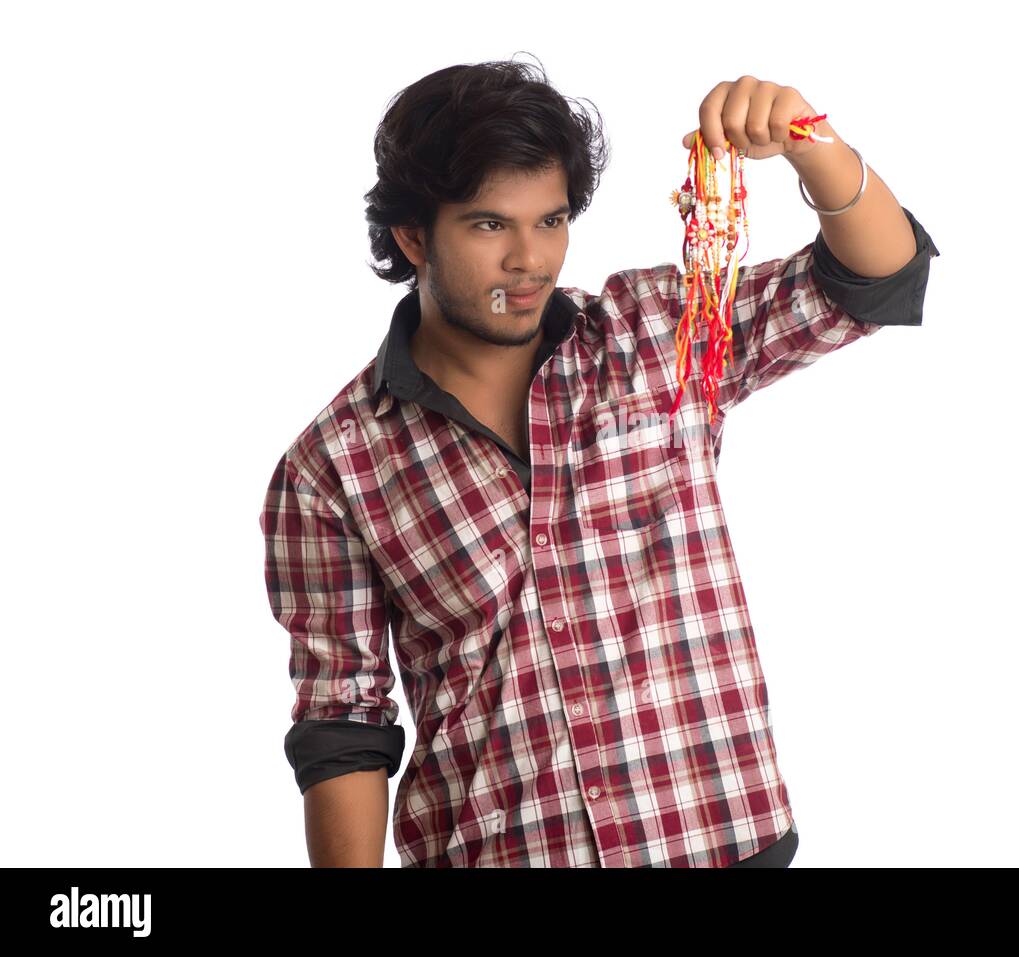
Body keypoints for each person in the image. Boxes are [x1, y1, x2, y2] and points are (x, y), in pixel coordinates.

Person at [260, 55, 939, 868]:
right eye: (489, 225)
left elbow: (878, 279)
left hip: (716, 840)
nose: (530, 260)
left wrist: (809, 139)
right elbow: (346, 722)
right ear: (413, 236)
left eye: (550, 221)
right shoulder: (331, 466)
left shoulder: (653, 335)